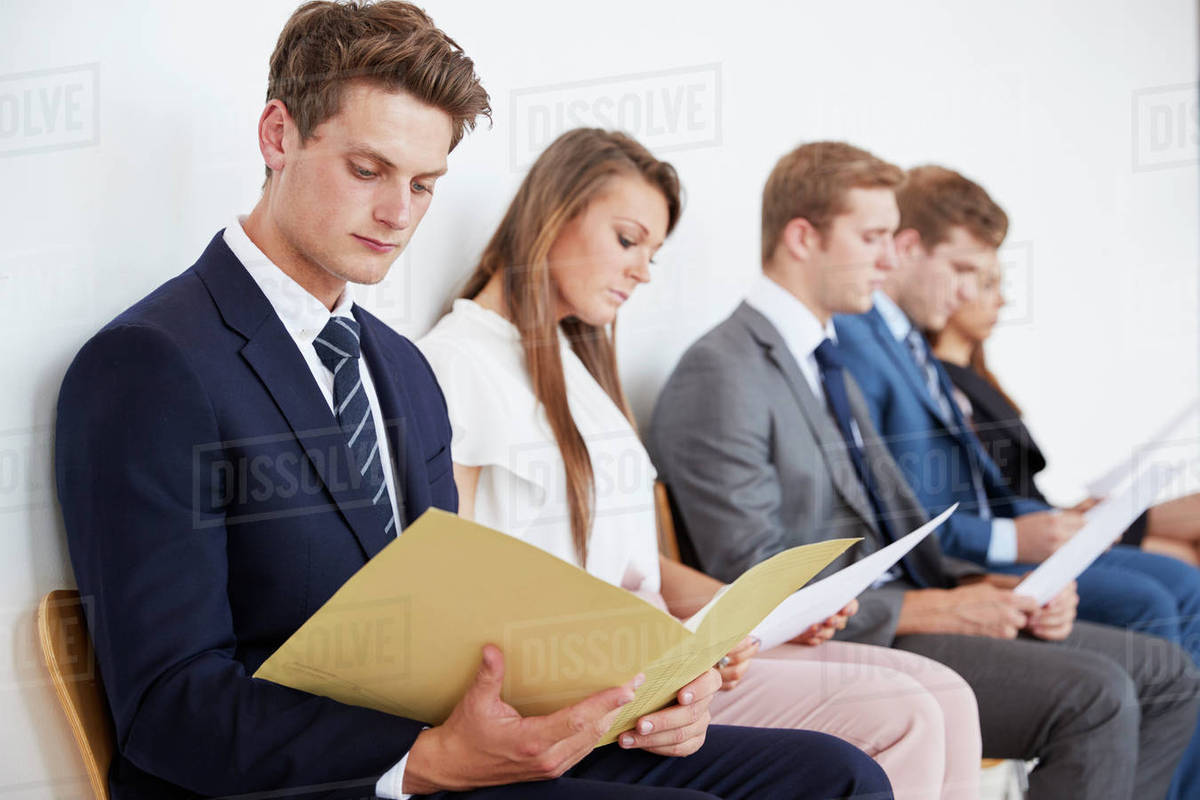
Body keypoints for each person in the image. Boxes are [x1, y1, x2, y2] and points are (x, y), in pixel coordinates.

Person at [51, 5, 892, 800]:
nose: (396, 213)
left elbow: (454, 624)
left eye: (424, 184)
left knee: (833, 777)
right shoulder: (152, 365)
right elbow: (169, 705)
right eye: (368, 169)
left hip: (460, 745)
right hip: (331, 776)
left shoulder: (400, 370)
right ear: (278, 136)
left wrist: (648, 685)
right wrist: (421, 759)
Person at [418, 127, 980, 800]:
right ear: (550, 217)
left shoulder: (576, 369)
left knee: (934, 696)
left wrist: (753, 614)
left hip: (647, 670)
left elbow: (640, 571)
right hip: (593, 687)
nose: (643, 271)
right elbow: (456, 599)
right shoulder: (455, 365)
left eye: (652, 253)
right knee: (902, 711)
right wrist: (672, 655)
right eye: (628, 240)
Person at [646, 140, 1200, 799]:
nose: (889, 259)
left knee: (1166, 674)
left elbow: (903, 523)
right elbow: (749, 574)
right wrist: (938, 609)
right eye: (874, 237)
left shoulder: (822, 360)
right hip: (843, 633)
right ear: (803, 237)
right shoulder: (724, 369)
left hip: (903, 606)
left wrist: (998, 584)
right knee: (1097, 695)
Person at [832, 161, 1200, 798]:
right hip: (943, 568)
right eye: (966, 272)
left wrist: (1041, 528)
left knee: (1172, 587)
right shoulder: (863, 343)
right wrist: (1009, 544)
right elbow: (899, 508)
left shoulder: (907, 347)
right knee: (1155, 601)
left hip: (975, 549)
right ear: (910, 249)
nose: (970, 294)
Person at [931, 257, 1200, 567]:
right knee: (1187, 556)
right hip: (1034, 531)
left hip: (1051, 519)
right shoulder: (940, 387)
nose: (1002, 301)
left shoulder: (980, 381)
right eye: (988, 286)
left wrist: (1070, 513)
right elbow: (988, 497)